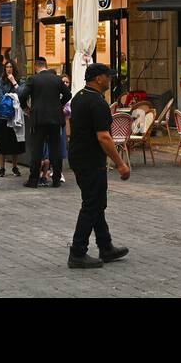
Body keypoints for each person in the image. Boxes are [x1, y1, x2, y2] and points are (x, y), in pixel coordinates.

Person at [67, 63, 130, 269]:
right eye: (107, 77)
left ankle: (105, 246)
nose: (110, 80)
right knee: (92, 204)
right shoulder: (97, 103)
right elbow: (104, 137)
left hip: (78, 156)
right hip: (91, 160)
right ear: (98, 79)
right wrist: (120, 164)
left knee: (96, 203)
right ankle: (78, 252)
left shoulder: (78, 97)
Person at [20, 57, 70, 188]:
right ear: (46, 65)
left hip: (39, 119)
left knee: (37, 149)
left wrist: (26, 107)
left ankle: (33, 180)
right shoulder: (57, 79)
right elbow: (68, 95)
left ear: (36, 67)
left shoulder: (33, 79)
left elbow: (22, 95)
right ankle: (56, 180)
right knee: (55, 149)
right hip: (55, 119)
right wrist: (58, 105)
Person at [0, 59, 24, 179]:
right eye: (6, 67)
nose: (8, 69)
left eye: (10, 67)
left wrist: (14, 82)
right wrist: (13, 98)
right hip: (3, 115)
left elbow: (22, 94)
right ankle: (2, 167)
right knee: (2, 141)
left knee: (15, 141)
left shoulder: (20, 80)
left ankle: (15, 166)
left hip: (16, 115)